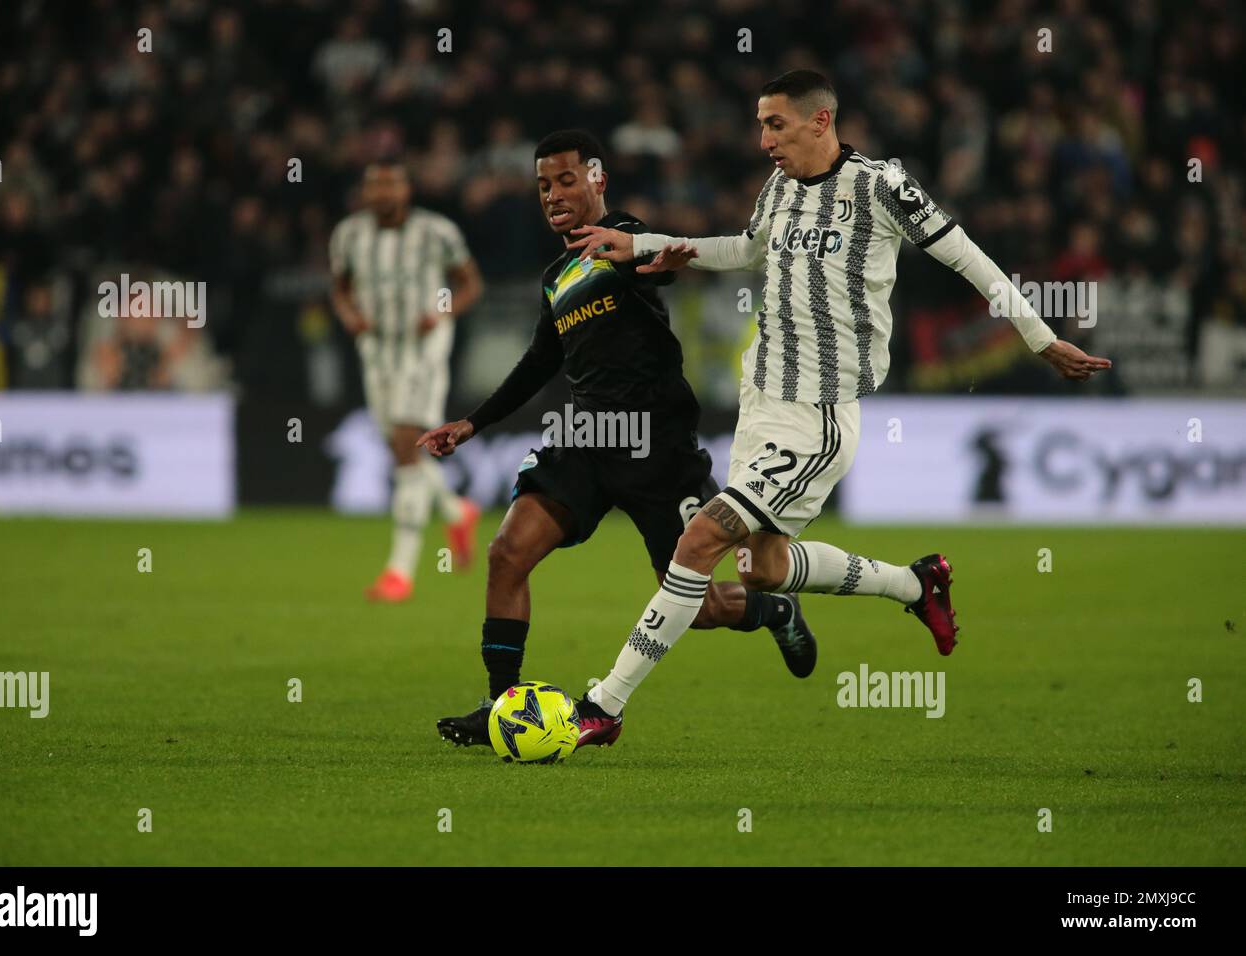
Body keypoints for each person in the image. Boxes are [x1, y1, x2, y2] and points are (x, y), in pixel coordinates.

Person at [565, 70, 1111, 734]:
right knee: (761, 569)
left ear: (820, 122)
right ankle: (917, 585)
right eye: (761, 124)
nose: (763, 139)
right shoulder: (779, 187)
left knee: (701, 537)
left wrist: (1040, 335)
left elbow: (967, 256)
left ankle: (604, 704)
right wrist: (645, 245)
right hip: (761, 399)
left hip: (817, 415)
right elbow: (746, 248)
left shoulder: (883, 187)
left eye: (776, 124)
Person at [421, 130, 817, 750]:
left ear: (598, 179)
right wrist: (473, 422)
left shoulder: (626, 236)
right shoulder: (556, 275)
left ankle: (776, 611)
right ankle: (501, 706)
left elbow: (652, 270)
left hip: (657, 447)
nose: (553, 194)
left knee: (703, 605)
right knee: (506, 553)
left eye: (566, 180)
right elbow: (537, 361)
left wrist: (652, 262)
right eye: (544, 185)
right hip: (585, 436)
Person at [328, 160, 484, 602]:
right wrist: (349, 316)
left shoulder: (437, 232)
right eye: (374, 185)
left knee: (405, 442)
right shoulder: (349, 235)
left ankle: (400, 572)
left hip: (424, 349)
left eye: (390, 184)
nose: (382, 193)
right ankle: (457, 509)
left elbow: (470, 283)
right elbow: (340, 286)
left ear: (406, 189)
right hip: (376, 351)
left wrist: (442, 312)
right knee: (399, 446)